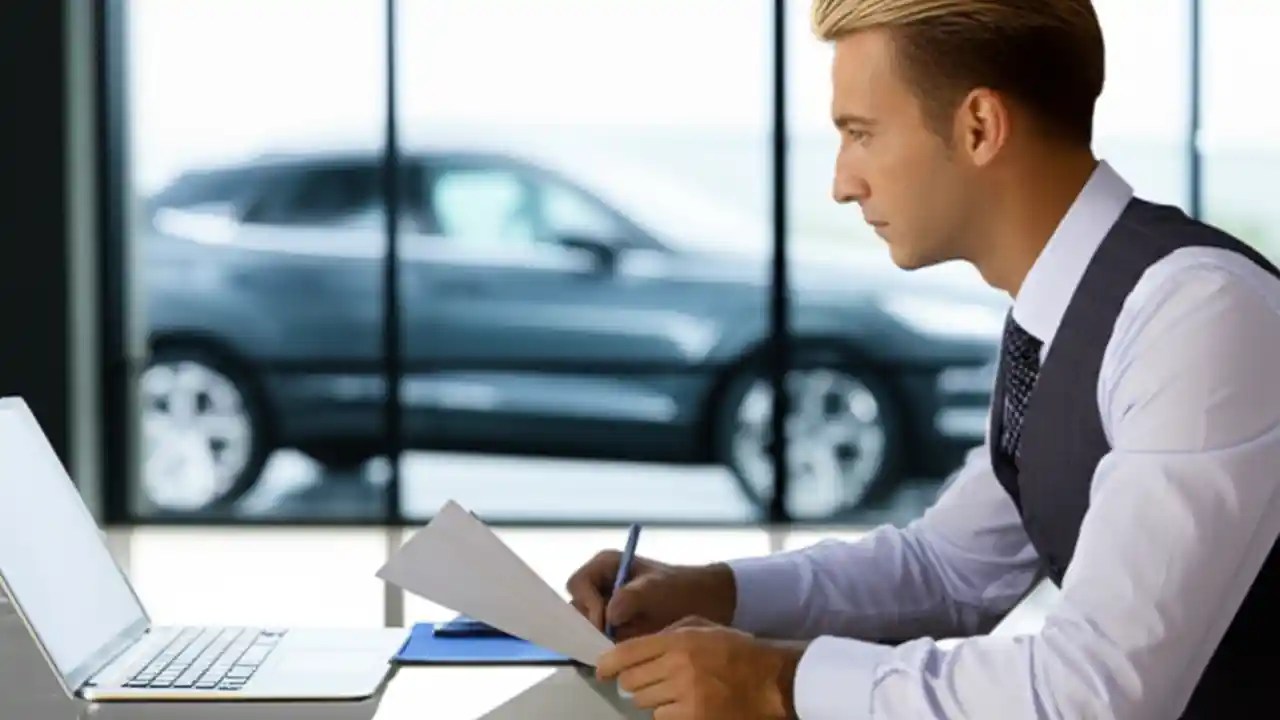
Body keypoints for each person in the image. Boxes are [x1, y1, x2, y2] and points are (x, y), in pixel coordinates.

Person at [567, 0, 1280, 718]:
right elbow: (951, 569)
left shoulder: (1198, 314)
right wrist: (715, 592)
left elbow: (1090, 692)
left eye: (861, 134)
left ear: (979, 127)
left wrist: (775, 682)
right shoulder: (1065, 312)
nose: (842, 183)